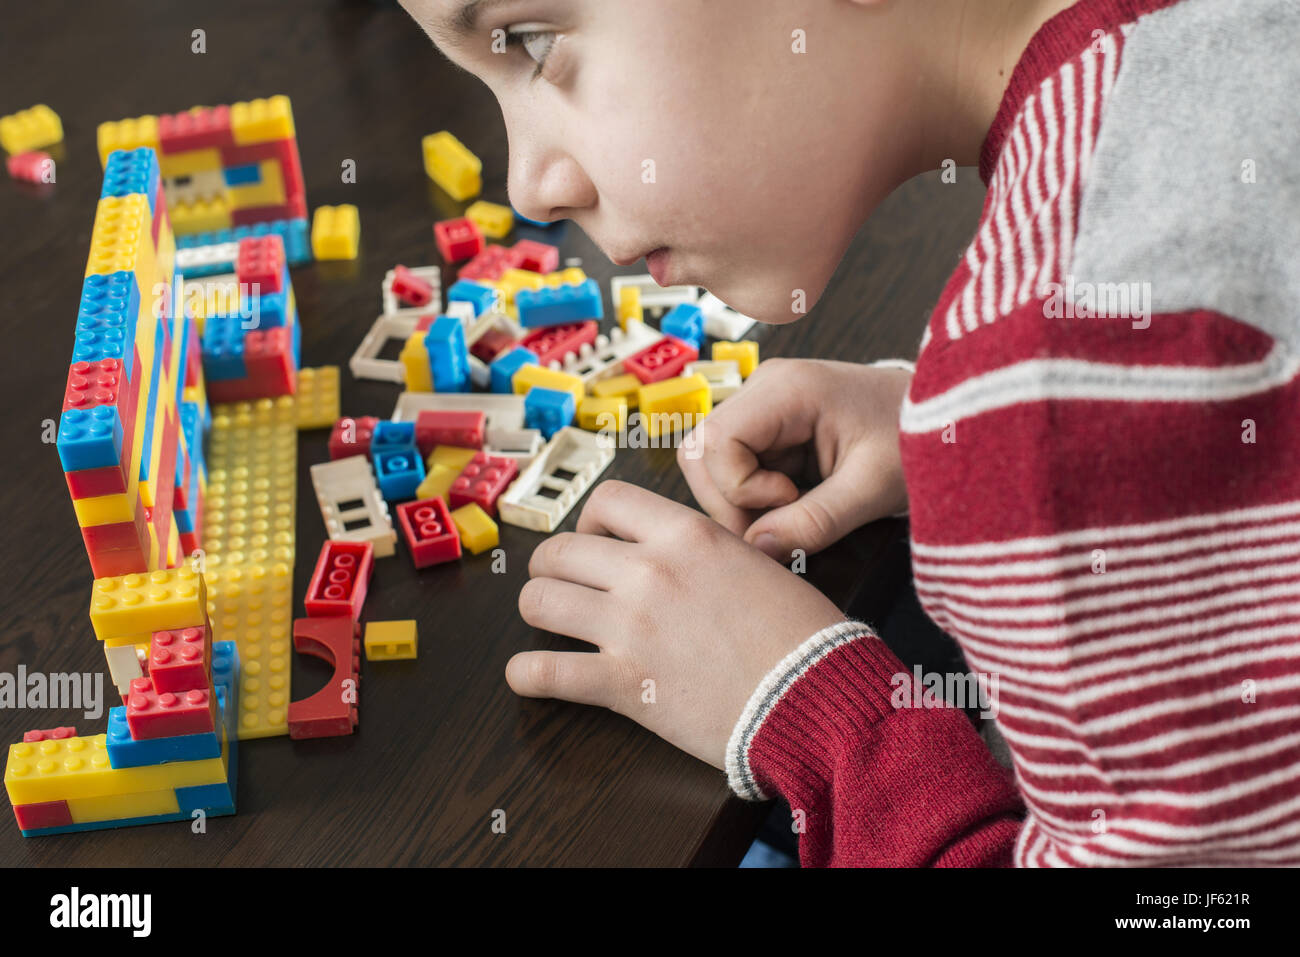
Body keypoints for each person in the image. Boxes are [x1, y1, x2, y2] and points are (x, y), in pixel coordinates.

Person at [401, 0, 1300, 866]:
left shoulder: (1055, 399)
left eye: (528, 40)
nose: (528, 184)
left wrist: (828, 728)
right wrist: (961, 438)